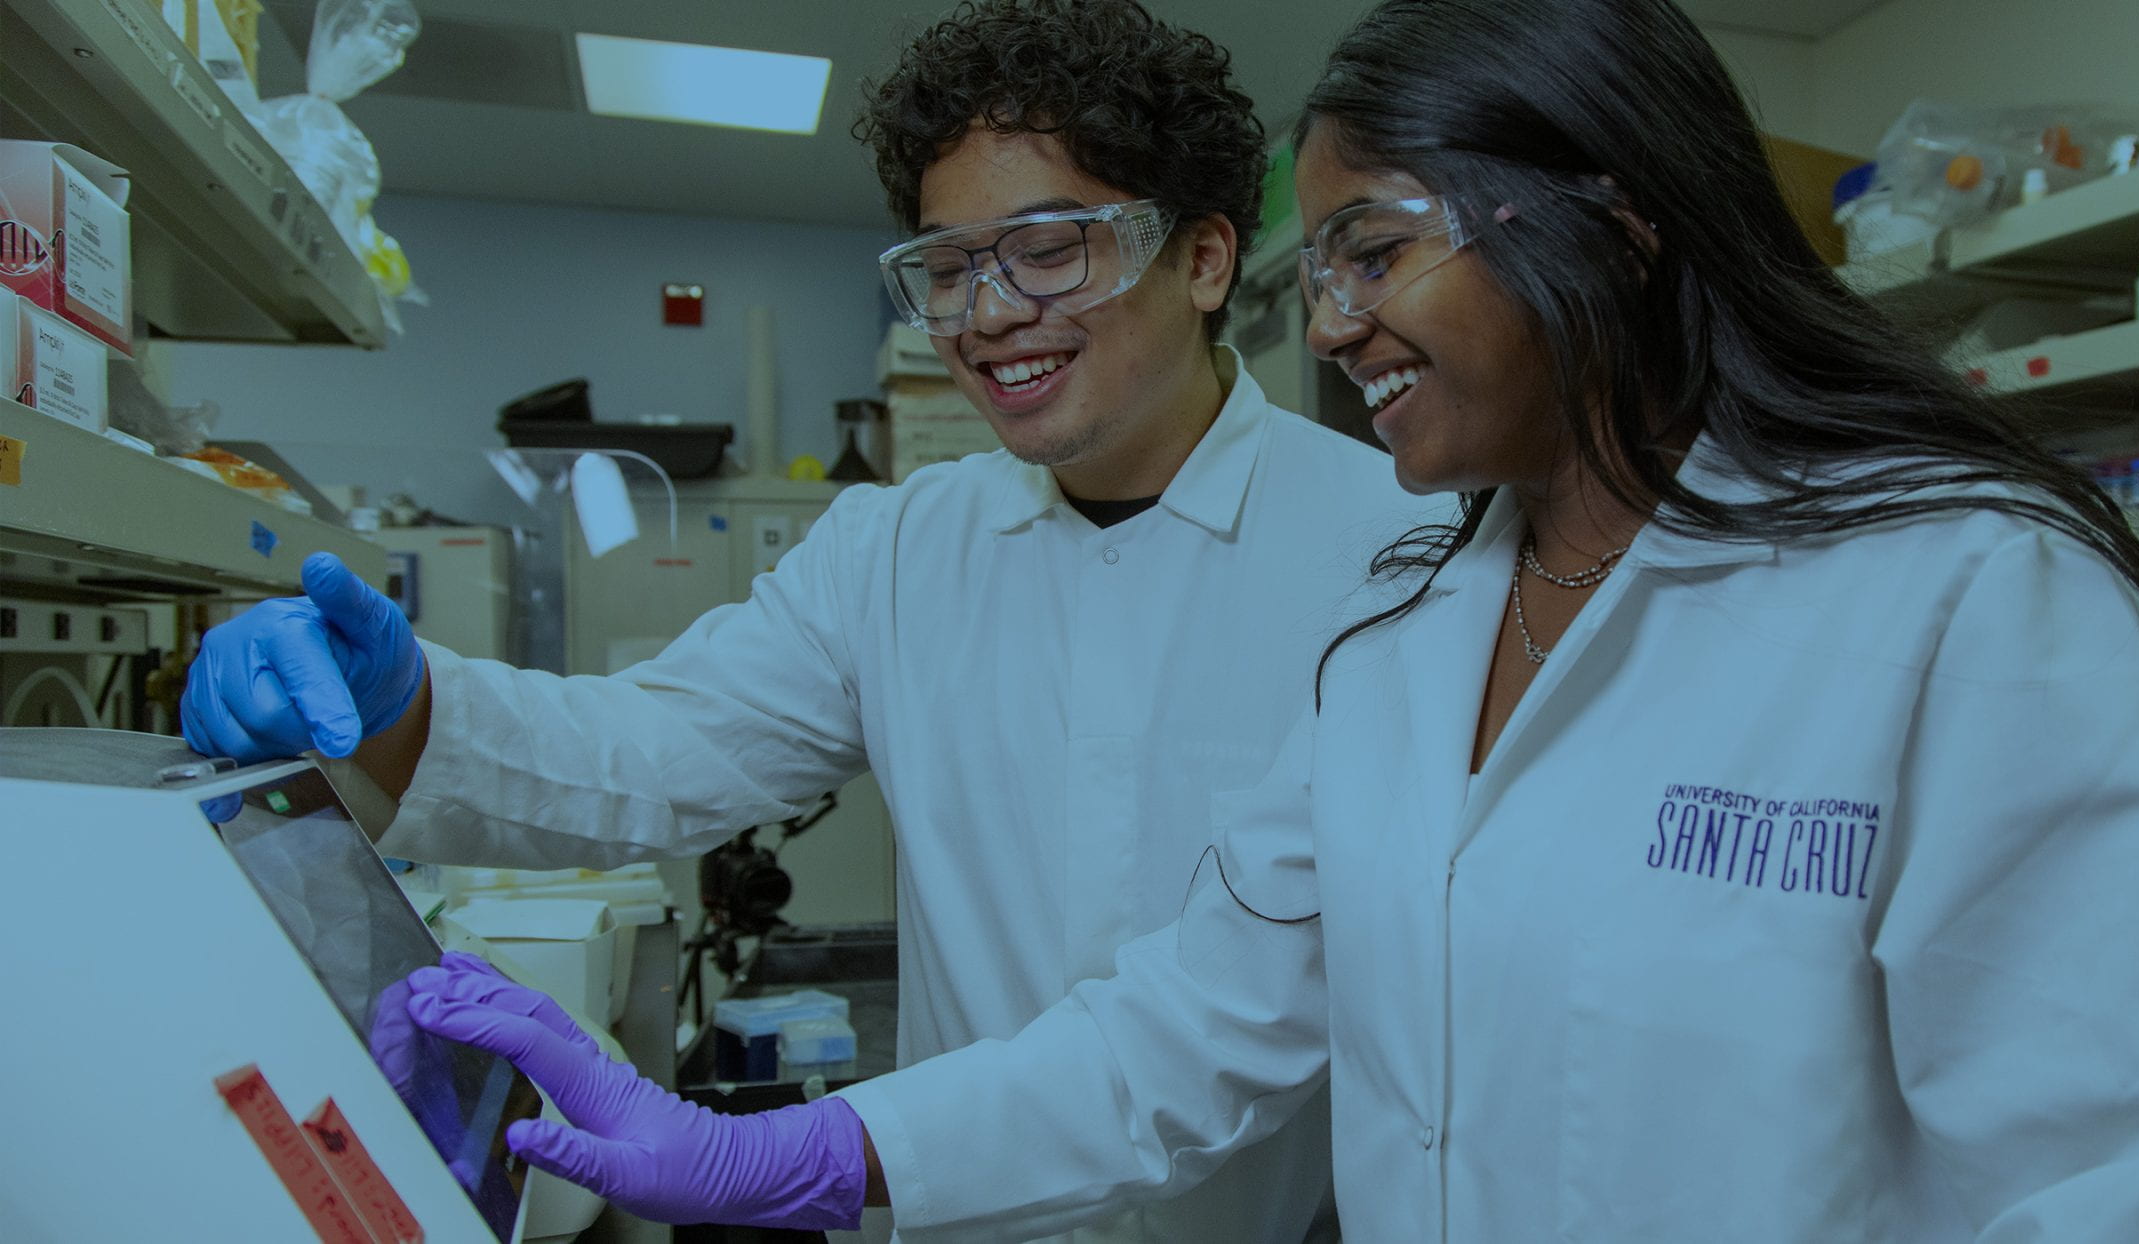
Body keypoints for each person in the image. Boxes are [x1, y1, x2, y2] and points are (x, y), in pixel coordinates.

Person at [399, 0, 2139, 1237]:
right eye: (1330, 269)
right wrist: (809, 1151)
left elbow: (2123, 1192)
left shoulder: (1969, 602)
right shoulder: (1410, 624)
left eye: (1377, 252)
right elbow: (1188, 1025)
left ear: (1616, 222)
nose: (1331, 324)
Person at [183, 1, 1442, 1238]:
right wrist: (410, 707)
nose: (990, 312)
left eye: (1047, 247)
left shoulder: (1398, 549)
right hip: (953, 1213)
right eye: (946, 267)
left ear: (1207, 258)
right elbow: (654, 750)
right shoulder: (895, 550)